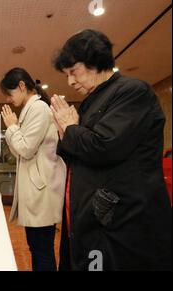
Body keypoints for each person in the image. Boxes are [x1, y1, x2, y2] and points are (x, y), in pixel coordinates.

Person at [51, 29, 172, 270]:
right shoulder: (91, 101)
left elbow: (103, 147)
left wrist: (70, 127)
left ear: (95, 61)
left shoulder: (132, 92)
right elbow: (75, 152)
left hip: (123, 224)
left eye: (73, 72)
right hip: (92, 220)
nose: (70, 81)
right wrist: (65, 132)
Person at [0, 67, 66, 271]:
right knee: (38, 248)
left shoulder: (38, 109)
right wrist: (15, 131)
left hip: (41, 191)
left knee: (41, 250)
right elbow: (19, 149)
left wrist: (12, 127)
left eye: (10, 94)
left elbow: (25, 149)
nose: (9, 100)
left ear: (21, 86)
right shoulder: (32, 109)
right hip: (38, 190)